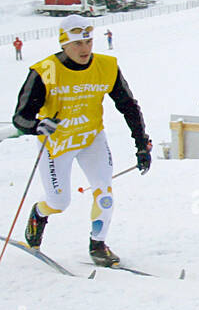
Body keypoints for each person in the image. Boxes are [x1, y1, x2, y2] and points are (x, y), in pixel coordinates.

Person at [11, 15, 151, 267]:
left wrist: (141, 144)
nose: (85, 48)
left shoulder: (106, 66)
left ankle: (98, 245)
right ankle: (39, 214)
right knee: (59, 201)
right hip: (57, 145)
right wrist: (37, 126)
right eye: (77, 43)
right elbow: (20, 117)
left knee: (105, 194)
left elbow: (128, 105)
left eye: (88, 41)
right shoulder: (45, 71)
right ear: (63, 44)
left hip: (91, 139)